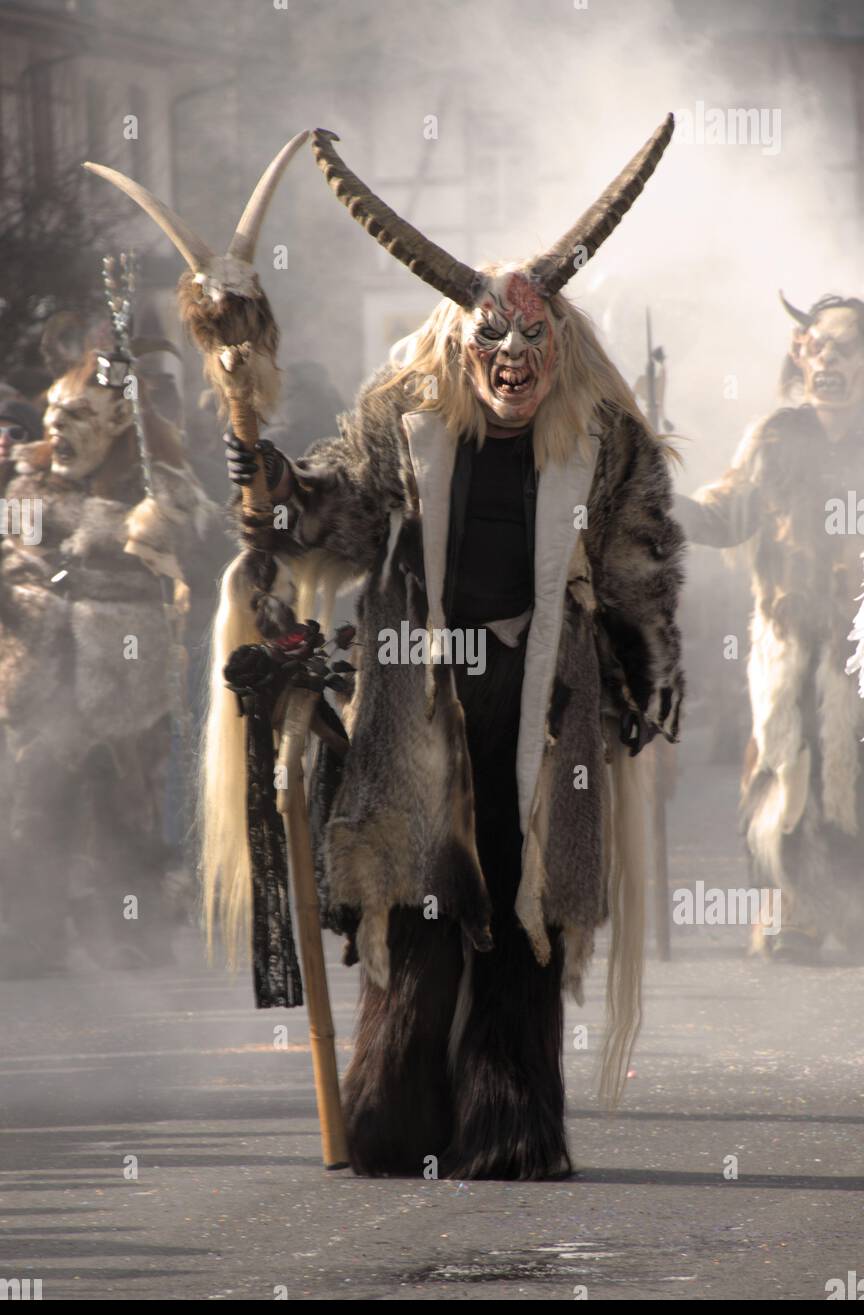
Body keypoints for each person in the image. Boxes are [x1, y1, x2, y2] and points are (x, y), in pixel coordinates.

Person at [206, 117, 685, 1178]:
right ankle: (396, 1115)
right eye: (493, 345)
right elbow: (331, 519)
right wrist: (270, 483)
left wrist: (648, 671)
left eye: (531, 344)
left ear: (556, 348)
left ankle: (512, 1126)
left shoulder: (605, 444)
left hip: (541, 704)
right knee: (419, 905)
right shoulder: (401, 426)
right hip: (418, 706)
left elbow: (640, 565)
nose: (512, 363)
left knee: (525, 918)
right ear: (461, 348)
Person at [0, 334, 217, 978]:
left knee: (125, 809)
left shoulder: (157, 485)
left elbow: (196, 564)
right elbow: (12, 561)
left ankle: (135, 933)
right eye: (53, 417)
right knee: (36, 804)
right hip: (40, 677)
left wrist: (144, 529)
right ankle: (33, 933)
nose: (57, 429)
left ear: (119, 424)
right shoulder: (28, 487)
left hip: (126, 682)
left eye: (77, 418)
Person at [675, 293, 864, 962]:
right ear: (800, 356)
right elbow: (725, 515)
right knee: (789, 779)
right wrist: (658, 499)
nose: (830, 360)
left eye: (846, 348)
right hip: (788, 649)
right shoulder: (775, 438)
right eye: (818, 347)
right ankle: (796, 915)